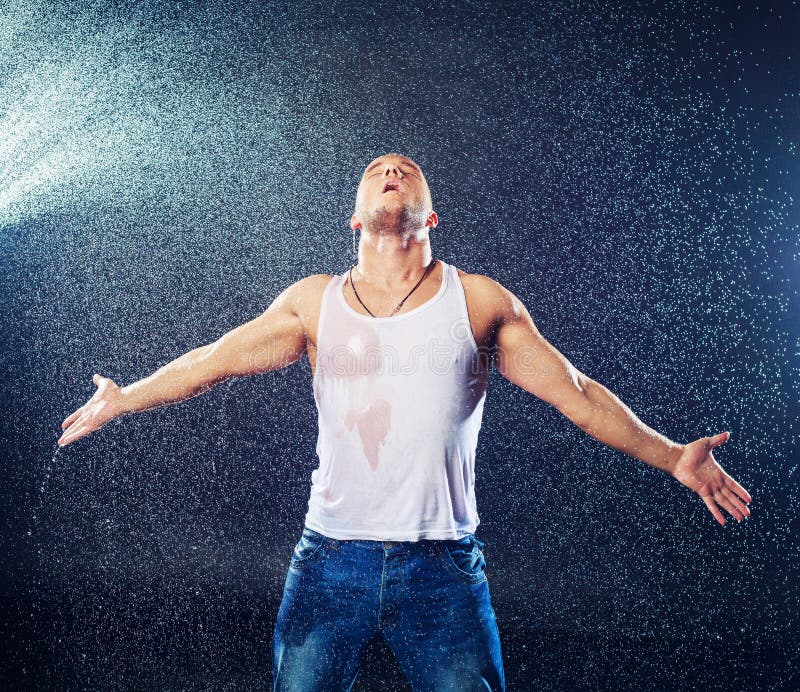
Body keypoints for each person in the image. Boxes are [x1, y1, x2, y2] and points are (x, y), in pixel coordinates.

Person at [58, 152, 753, 691]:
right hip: (330, 561)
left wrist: (671, 457)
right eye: (376, 171)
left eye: (407, 171)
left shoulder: (477, 301)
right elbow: (209, 361)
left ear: (431, 216)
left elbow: (575, 390)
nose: (392, 170)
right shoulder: (312, 304)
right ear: (354, 219)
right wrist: (125, 396)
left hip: (442, 568)